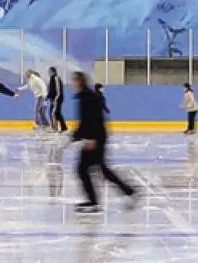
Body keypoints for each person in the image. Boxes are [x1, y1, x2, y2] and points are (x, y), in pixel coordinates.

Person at [70, 71, 138, 214]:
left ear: (79, 81)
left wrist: (90, 138)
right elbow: (85, 122)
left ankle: (96, 201)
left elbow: (93, 119)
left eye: (74, 81)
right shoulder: (85, 97)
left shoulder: (89, 98)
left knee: (84, 169)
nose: (72, 84)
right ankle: (128, 192)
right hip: (94, 137)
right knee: (99, 170)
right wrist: (76, 136)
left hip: (96, 138)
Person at [47, 67, 67, 133]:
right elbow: (51, 90)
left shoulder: (56, 78)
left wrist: (56, 98)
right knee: (56, 113)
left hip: (57, 98)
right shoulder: (51, 78)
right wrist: (47, 97)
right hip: (54, 98)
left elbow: (57, 89)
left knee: (53, 113)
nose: (48, 72)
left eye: (49, 71)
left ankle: (55, 128)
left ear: (53, 71)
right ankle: (64, 127)